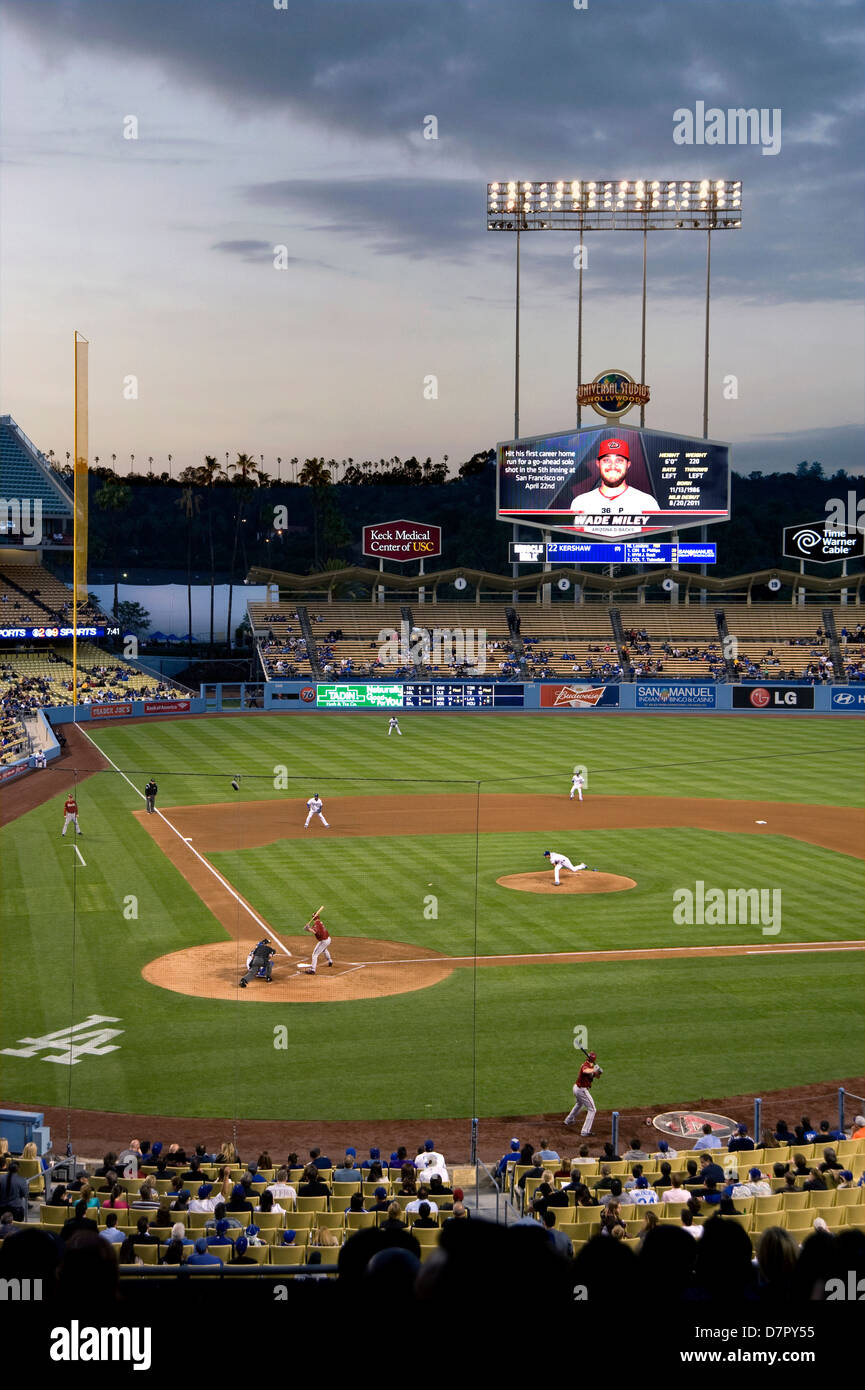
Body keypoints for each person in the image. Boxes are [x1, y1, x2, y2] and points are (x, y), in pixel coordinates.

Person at [569, 437, 659, 525]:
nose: (612, 466)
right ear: (598, 464)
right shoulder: (580, 503)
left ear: (628, 465)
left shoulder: (646, 502)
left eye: (619, 460)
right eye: (607, 460)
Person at [564, 1050, 602, 1135]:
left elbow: (597, 1076)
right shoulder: (585, 1066)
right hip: (581, 1090)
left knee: (579, 1104)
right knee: (592, 1109)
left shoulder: (591, 1065)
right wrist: (594, 1069)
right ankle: (585, 1131)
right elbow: (586, 1071)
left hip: (577, 1088)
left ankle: (569, 1120)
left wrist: (599, 1072)